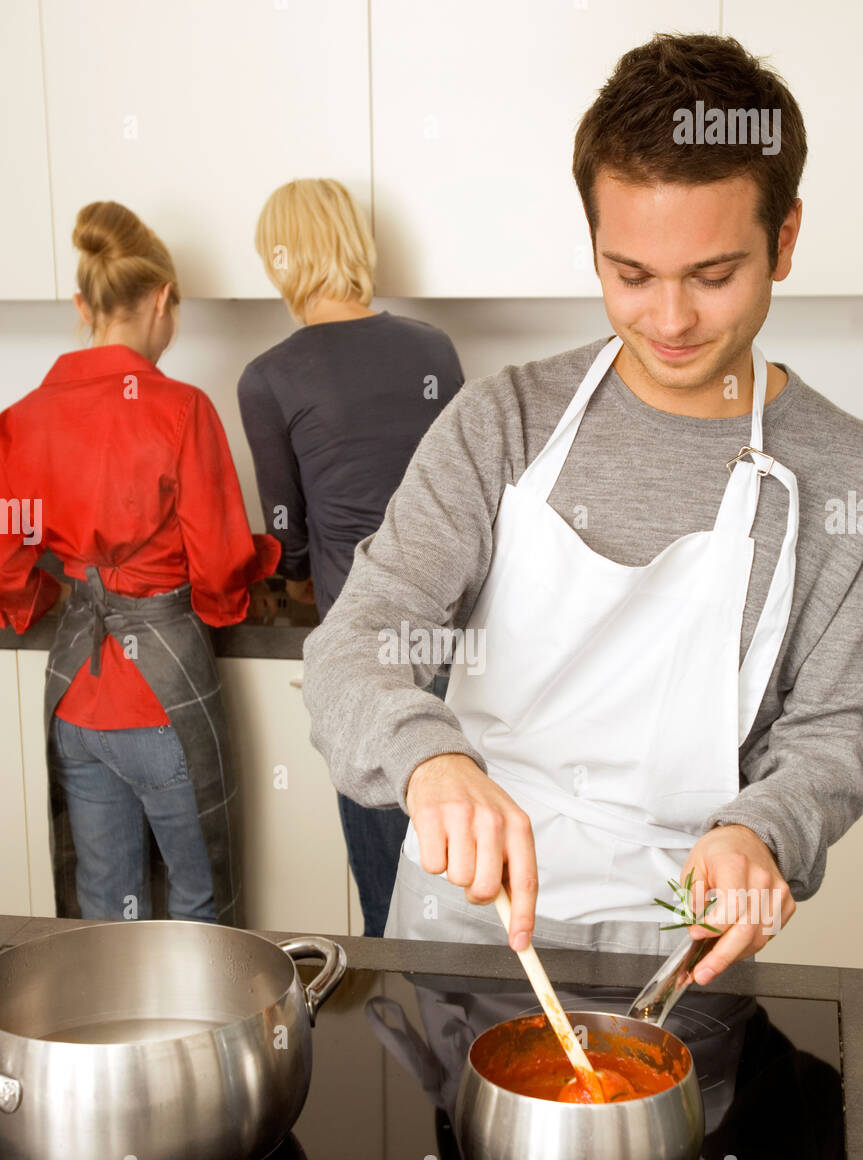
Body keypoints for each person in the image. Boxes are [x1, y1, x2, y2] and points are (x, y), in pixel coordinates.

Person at [302, 33, 863, 983]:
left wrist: (763, 830)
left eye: (713, 275)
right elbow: (357, 640)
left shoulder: (839, 477)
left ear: (787, 237)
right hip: (463, 925)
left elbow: (832, 729)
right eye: (630, 275)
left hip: (684, 947)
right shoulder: (501, 423)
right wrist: (430, 764)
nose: (671, 321)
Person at [0, 200, 280, 925]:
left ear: (81, 304)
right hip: (164, 697)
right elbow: (220, 571)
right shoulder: (180, 409)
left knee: (103, 911)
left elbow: (7, 566)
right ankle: (206, 1042)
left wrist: (45, 603)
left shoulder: (21, 419)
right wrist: (233, 599)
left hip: (73, 699)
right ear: (161, 300)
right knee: (199, 903)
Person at [238, 178, 464, 935]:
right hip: (456, 639)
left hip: (362, 656)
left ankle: (400, 1045)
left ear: (281, 258)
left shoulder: (269, 376)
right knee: (467, 892)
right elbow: (470, 496)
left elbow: (285, 527)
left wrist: (296, 583)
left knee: (386, 906)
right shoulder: (433, 349)